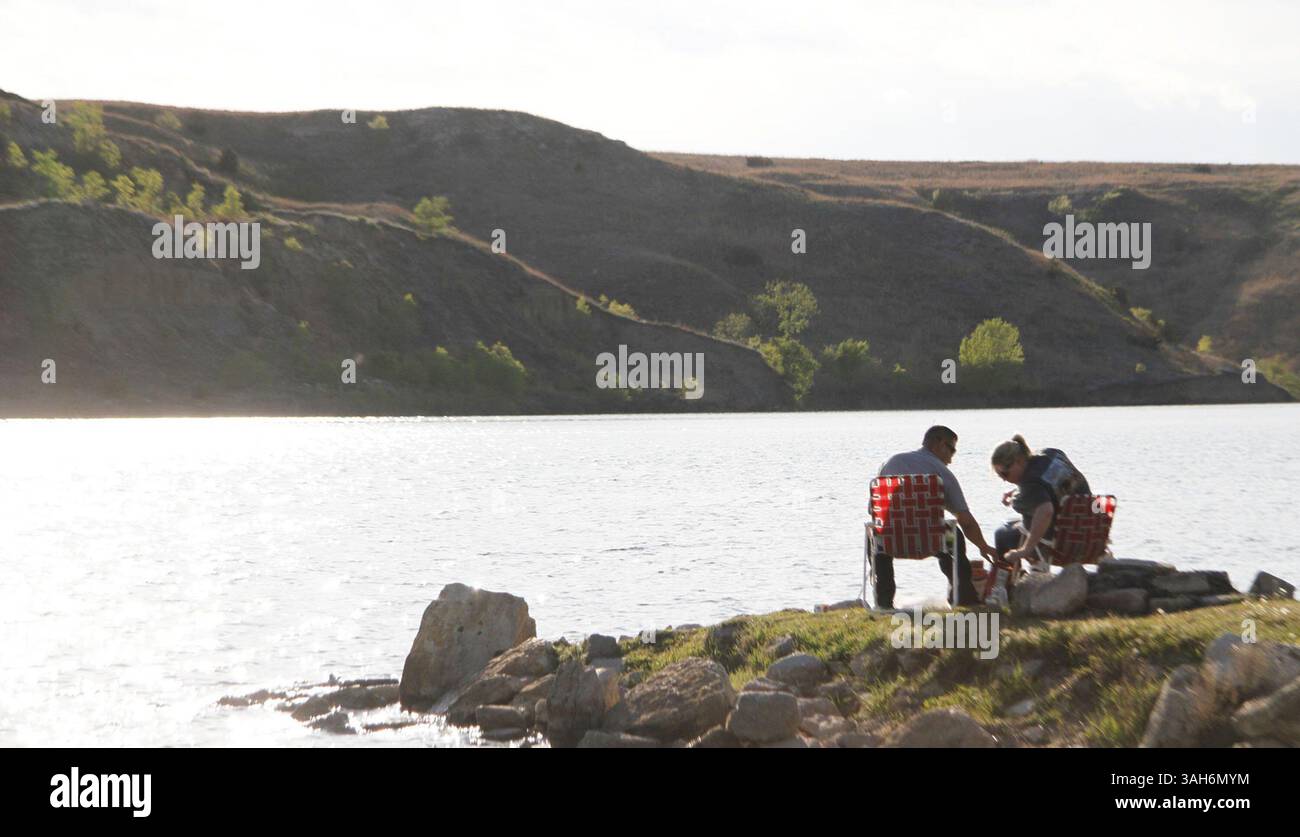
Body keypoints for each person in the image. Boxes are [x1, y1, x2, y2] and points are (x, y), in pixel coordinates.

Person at [871, 425, 997, 609]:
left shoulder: (890, 463)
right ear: (938, 444)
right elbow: (966, 521)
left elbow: (874, 511)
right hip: (932, 540)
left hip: (891, 540)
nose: (951, 459)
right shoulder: (942, 472)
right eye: (952, 450)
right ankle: (964, 596)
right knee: (955, 536)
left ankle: (884, 601)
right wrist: (983, 546)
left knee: (873, 539)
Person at [989, 434, 1091, 570]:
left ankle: (1005, 585)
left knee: (1002, 534)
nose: (1003, 479)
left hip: (1059, 544)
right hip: (1087, 534)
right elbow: (1054, 483)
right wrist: (1017, 491)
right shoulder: (1052, 454)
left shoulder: (1030, 483)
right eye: (999, 476)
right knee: (1010, 523)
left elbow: (1046, 511)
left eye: (1005, 474)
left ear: (1019, 461)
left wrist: (1025, 549)